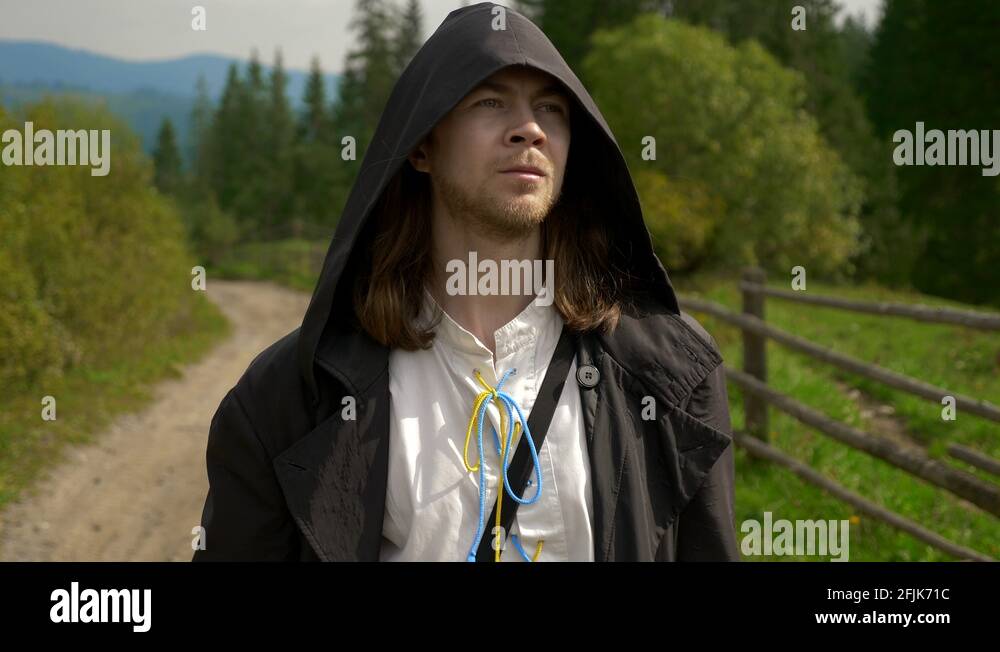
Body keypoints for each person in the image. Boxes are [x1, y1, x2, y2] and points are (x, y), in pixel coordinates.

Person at [192, 1, 738, 562]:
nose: (529, 129)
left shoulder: (668, 376)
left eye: (551, 109)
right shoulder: (291, 398)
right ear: (423, 146)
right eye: (490, 101)